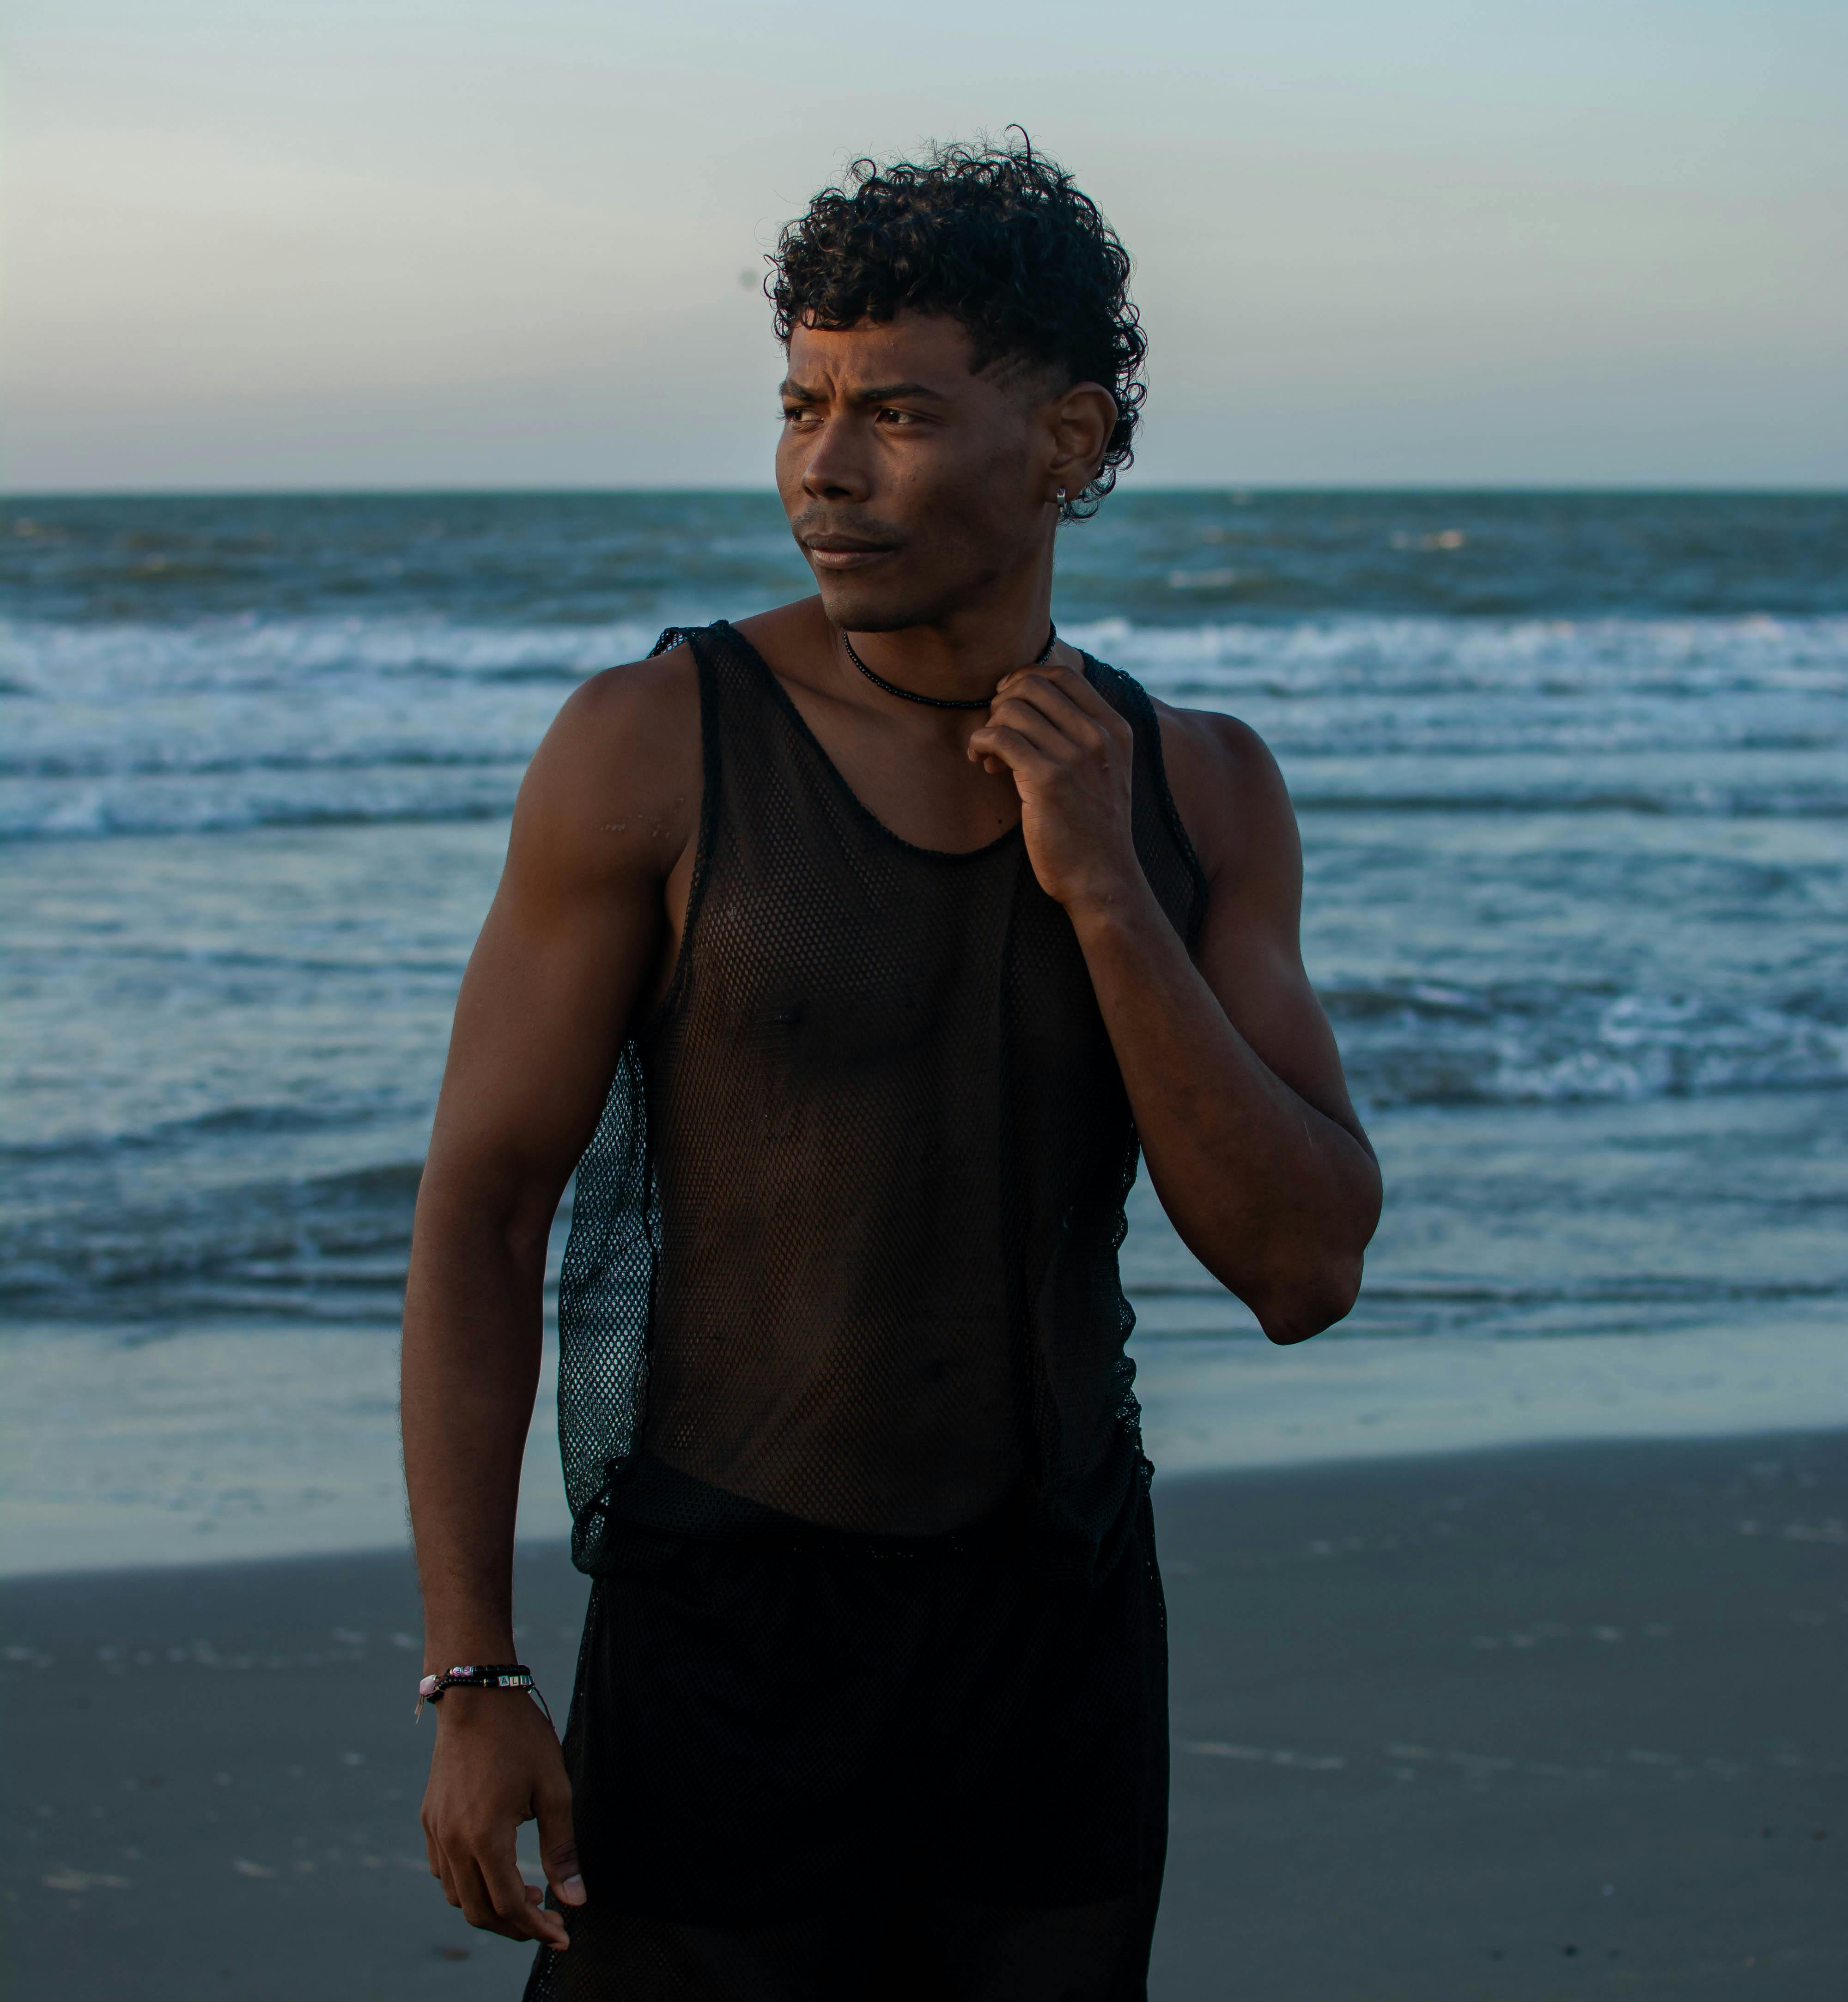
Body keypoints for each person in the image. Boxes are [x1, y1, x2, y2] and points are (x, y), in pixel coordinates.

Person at [401, 137, 1380, 2001]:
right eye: (799, 407)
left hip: (1058, 1630)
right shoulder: (651, 744)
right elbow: (482, 1211)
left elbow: (1302, 1266)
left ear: (1070, 443)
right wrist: (474, 1668)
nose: (822, 473)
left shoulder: (1199, 793)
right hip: (722, 1630)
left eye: (898, 414)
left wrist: (1103, 889)